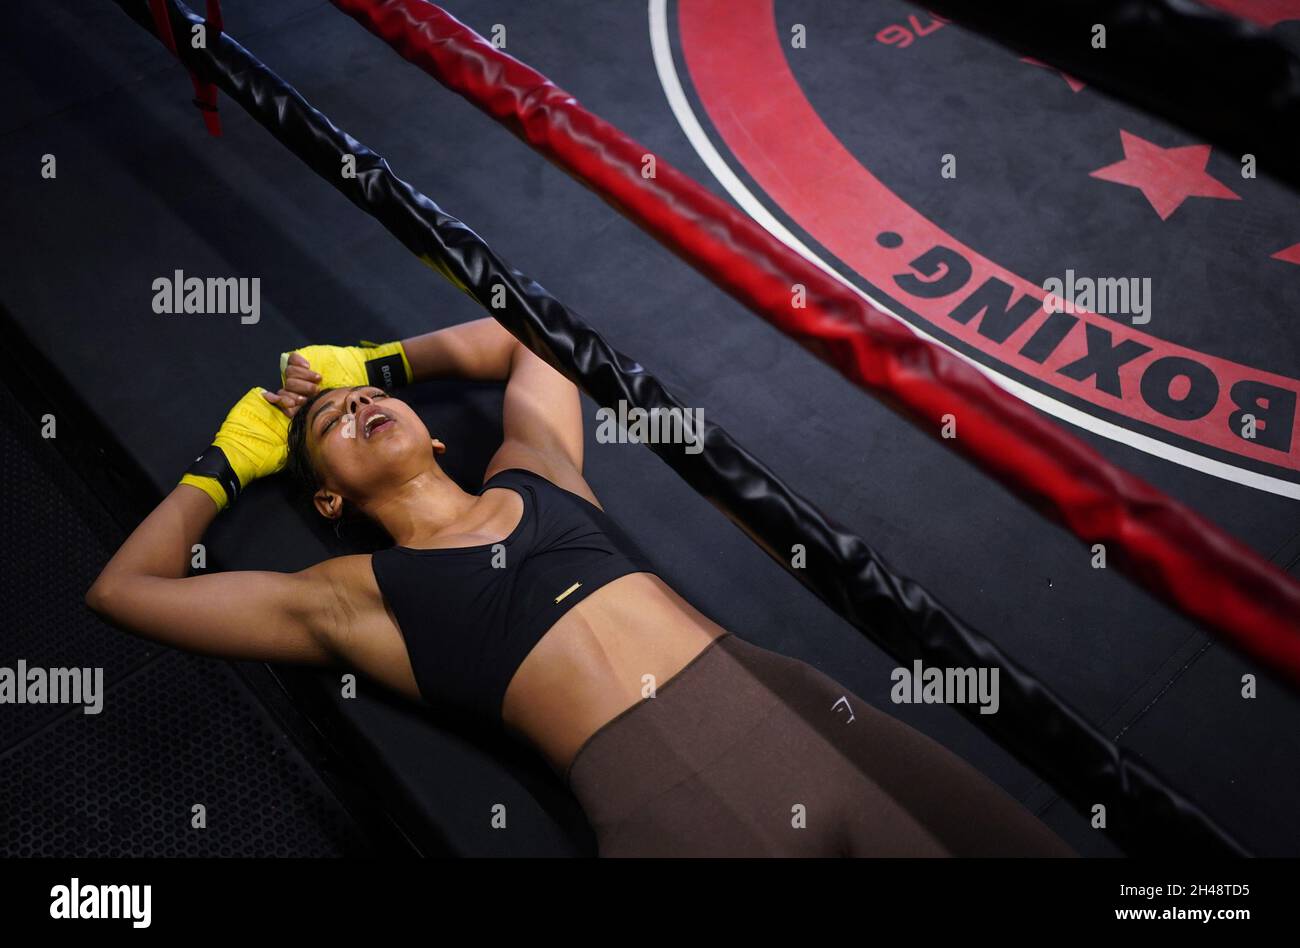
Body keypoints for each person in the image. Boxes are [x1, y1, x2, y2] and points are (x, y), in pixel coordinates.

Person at [86, 317, 1074, 857]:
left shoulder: (539, 469)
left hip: (794, 709)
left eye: (371, 397)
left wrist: (384, 355)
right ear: (331, 500)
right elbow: (126, 591)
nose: (356, 405)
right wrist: (225, 465)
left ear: (433, 431)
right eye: (330, 425)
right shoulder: (349, 594)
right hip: (662, 803)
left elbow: (533, 333)